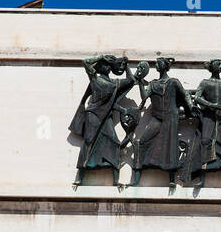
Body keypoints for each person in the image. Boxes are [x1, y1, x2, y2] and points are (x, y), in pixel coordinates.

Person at [69, 55, 137, 187]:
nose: (107, 67)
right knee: (89, 142)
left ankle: (116, 180)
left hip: (106, 117)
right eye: (104, 65)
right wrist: (100, 57)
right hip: (93, 116)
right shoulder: (95, 79)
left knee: (114, 142)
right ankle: (80, 177)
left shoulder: (114, 83)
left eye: (108, 65)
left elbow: (131, 80)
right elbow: (85, 62)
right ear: (100, 67)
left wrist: (126, 64)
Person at [129, 56, 193, 188]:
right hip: (157, 118)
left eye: (159, 63)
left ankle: (171, 179)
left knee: (170, 146)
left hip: (171, 118)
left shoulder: (174, 82)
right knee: (142, 142)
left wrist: (190, 108)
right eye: (156, 64)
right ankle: (136, 178)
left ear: (164, 66)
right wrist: (140, 81)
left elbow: (185, 95)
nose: (156, 66)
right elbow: (144, 96)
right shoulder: (153, 84)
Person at [187, 58, 221, 188]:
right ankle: (202, 180)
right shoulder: (205, 83)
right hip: (209, 118)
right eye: (218, 64)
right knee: (206, 143)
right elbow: (197, 98)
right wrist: (211, 105)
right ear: (212, 67)